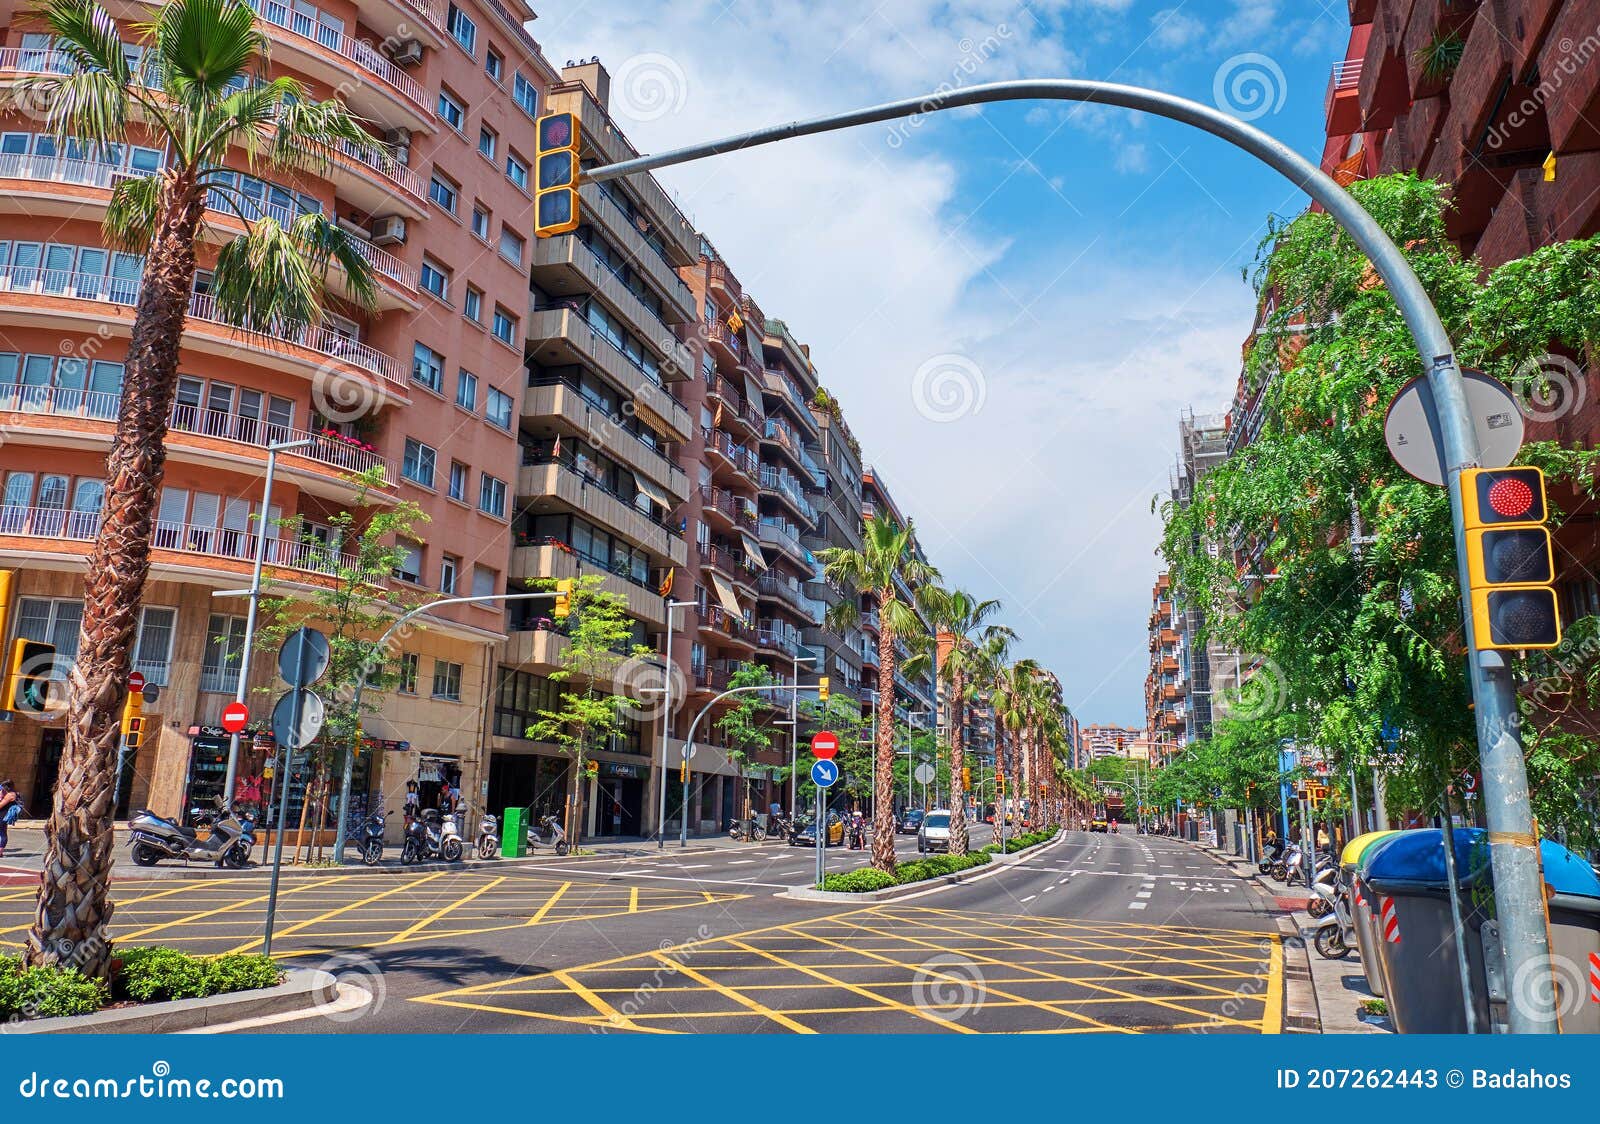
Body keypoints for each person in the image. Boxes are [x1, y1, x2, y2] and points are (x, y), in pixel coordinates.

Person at [0, 779, 19, 859]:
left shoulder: (10, 795)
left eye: (2, 787)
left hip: (3, 815)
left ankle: (0, 851)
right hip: (2, 814)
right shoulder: (6, 793)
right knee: (2, 832)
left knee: (3, 832)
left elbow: (1, 805)